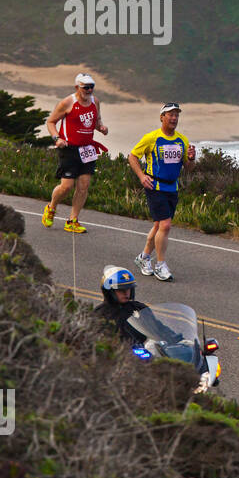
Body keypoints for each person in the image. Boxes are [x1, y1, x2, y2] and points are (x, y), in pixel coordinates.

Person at [128, 103, 195, 282]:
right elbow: (132, 156)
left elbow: (188, 167)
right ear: (162, 117)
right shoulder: (152, 138)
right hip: (154, 186)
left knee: (159, 226)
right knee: (165, 225)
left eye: (176, 115)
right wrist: (142, 176)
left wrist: (191, 158)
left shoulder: (182, 140)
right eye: (170, 115)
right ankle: (160, 265)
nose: (174, 118)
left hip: (172, 187)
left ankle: (143, 258)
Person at [41, 73, 108, 233]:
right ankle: (51, 208)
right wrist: (57, 138)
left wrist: (102, 128)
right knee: (66, 186)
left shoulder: (95, 102)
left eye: (92, 87)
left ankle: (72, 220)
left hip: (87, 149)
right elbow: (50, 122)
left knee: (84, 186)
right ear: (77, 87)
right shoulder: (67, 102)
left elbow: (96, 121)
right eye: (86, 87)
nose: (89, 90)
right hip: (69, 148)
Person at [94, 265, 148, 344]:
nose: (126, 293)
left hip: (146, 351)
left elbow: (159, 328)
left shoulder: (139, 308)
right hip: (117, 354)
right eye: (121, 290)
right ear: (109, 291)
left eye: (128, 289)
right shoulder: (100, 314)